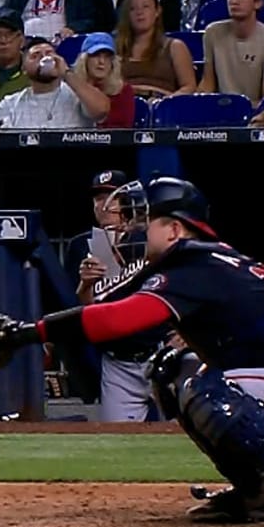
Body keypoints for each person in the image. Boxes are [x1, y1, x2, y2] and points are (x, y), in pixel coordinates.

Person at [0, 176, 264, 527]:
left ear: (175, 230)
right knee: (171, 371)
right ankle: (257, 493)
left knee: (212, 387)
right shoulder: (202, 260)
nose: (133, 229)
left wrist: (25, 334)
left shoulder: (196, 264)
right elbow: (108, 305)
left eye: (145, 221)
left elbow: (120, 320)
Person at [73, 179, 163, 422]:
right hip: (118, 360)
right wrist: (86, 284)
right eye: (97, 198)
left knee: (186, 433)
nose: (103, 205)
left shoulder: (154, 238)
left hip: (161, 352)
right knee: (118, 434)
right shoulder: (82, 247)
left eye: (109, 197)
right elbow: (87, 309)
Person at [116, 0, 197, 98]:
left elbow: (189, 87)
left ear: (157, 11)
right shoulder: (117, 49)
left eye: (146, 6)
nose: (139, 12)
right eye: (132, 9)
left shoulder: (175, 47)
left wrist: (165, 101)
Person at [71, 31, 136, 127]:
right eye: (96, 55)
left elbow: (122, 130)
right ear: (84, 60)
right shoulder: (72, 88)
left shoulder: (123, 91)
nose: (101, 62)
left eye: (107, 57)